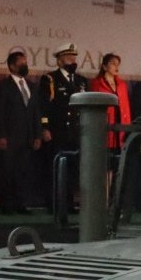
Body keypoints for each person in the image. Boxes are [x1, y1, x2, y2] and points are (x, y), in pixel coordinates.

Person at [0, 50, 42, 214]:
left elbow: (36, 112)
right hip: (9, 137)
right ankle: (7, 205)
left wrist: (37, 135)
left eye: (25, 62)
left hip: (27, 137)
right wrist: (1, 135)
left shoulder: (31, 86)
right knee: (8, 171)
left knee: (23, 172)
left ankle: (21, 204)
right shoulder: (2, 86)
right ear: (12, 66)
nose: (25, 65)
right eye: (21, 62)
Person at [38, 43, 86, 208]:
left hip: (75, 132)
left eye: (74, 57)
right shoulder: (50, 79)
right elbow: (43, 106)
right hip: (57, 131)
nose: (72, 60)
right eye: (68, 57)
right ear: (59, 61)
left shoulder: (81, 81)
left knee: (72, 168)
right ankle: (54, 203)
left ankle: (69, 202)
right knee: (56, 167)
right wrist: (45, 127)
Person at [90, 53, 133, 150]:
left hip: (120, 122)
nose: (116, 66)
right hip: (105, 123)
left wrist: (128, 127)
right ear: (104, 67)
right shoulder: (96, 83)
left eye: (118, 64)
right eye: (113, 63)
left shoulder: (122, 84)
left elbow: (126, 108)